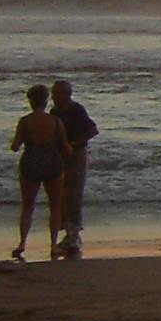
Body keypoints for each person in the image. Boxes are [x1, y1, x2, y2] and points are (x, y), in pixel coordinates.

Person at [8, 84, 72, 261]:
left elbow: (15, 147)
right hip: (52, 162)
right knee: (55, 206)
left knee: (28, 206)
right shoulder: (55, 121)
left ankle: (22, 243)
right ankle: (53, 245)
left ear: (30, 101)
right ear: (46, 101)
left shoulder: (25, 121)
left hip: (31, 162)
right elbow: (65, 148)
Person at [51, 79, 98, 256]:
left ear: (66, 94)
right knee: (61, 194)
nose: (54, 97)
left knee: (74, 194)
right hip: (61, 156)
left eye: (56, 93)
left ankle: (74, 233)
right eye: (53, 93)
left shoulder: (76, 110)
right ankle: (68, 232)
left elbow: (92, 130)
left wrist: (73, 144)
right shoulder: (54, 112)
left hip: (77, 155)